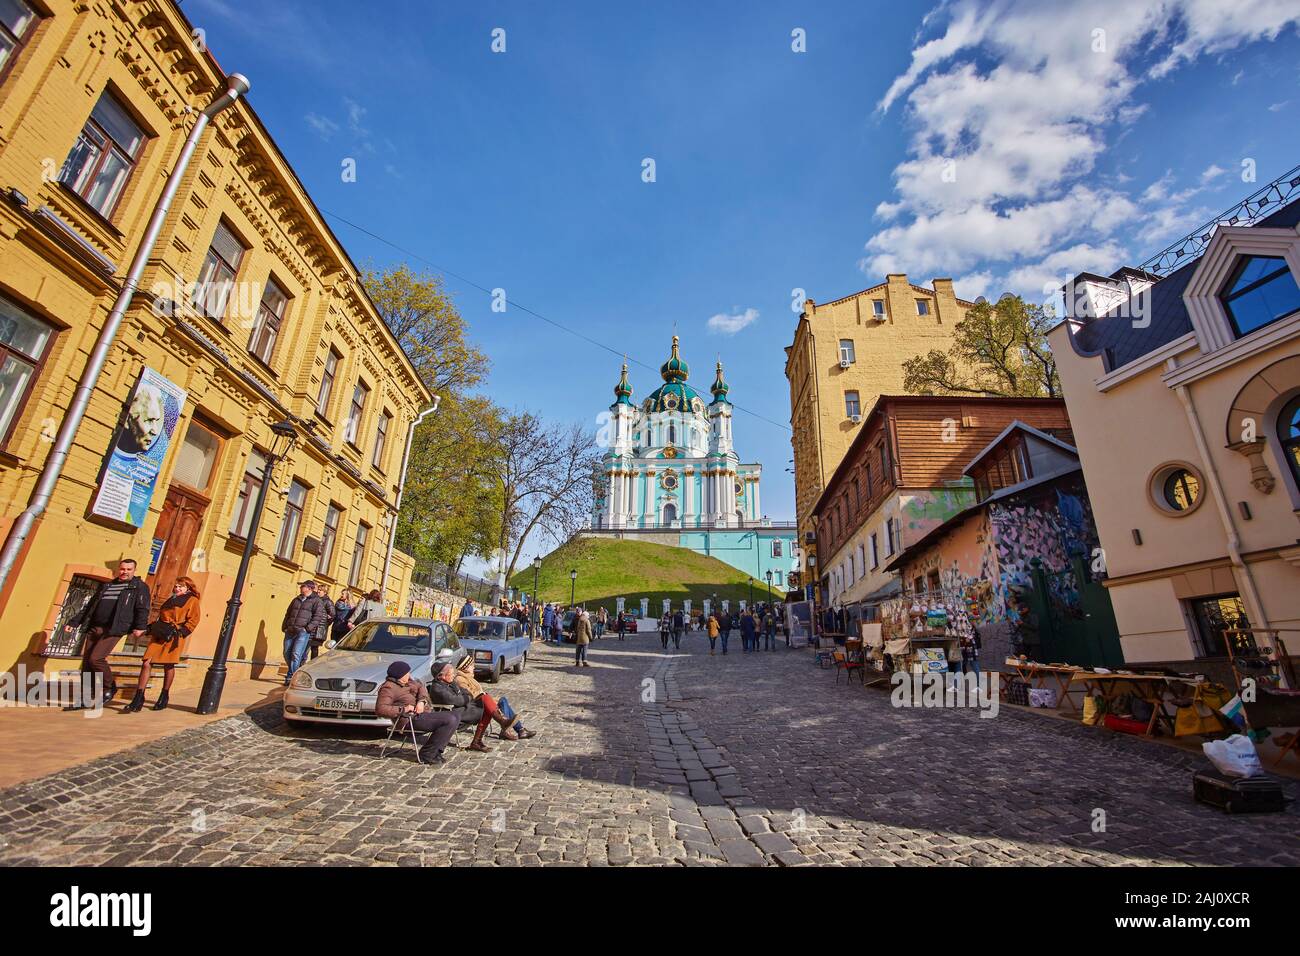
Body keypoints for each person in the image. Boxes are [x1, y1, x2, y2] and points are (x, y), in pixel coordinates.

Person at [67, 558, 152, 708]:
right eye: (122, 569)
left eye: (128, 569)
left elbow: (142, 608)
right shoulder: (108, 585)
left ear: (134, 570)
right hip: (94, 627)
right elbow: (91, 605)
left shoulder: (139, 587)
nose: (124, 572)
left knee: (96, 659)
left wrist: (140, 627)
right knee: (87, 663)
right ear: (118, 569)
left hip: (114, 628)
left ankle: (109, 687)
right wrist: (74, 622)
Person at [124, 576, 201, 713]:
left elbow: (194, 619)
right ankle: (138, 697)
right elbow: (161, 618)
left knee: (168, 665)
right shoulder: (170, 600)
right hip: (160, 634)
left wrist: (181, 632)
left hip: (174, 636)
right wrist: (148, 629)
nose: (177, 588)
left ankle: (164, 695)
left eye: (181, 586)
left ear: (187, 588)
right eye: (176, 586)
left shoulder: (192, 600)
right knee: (146, 662)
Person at [375, 661, 459, 765]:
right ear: (400, 675)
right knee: (449, 719)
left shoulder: (408, 682)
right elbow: (380, 709)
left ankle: (436, 750)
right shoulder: (388, 688)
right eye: (407, 673)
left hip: (421, 715)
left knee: (456, 715)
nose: (409, 675)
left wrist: (421, 702)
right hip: (407, 720)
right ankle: (427, 753)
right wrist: (404, 709)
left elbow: (421, 687)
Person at [281, 580, 329, 685]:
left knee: (296, 654)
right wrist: (285, 626)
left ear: (309, 588)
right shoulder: (296, 599)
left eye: (303, 586)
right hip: (290, 630)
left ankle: (291, 676)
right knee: (286, 653)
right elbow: (288, 614)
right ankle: (295, 671)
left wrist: (307, 628)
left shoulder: (317, 601)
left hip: (303, 632)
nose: (300, 588)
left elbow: (318, 617)